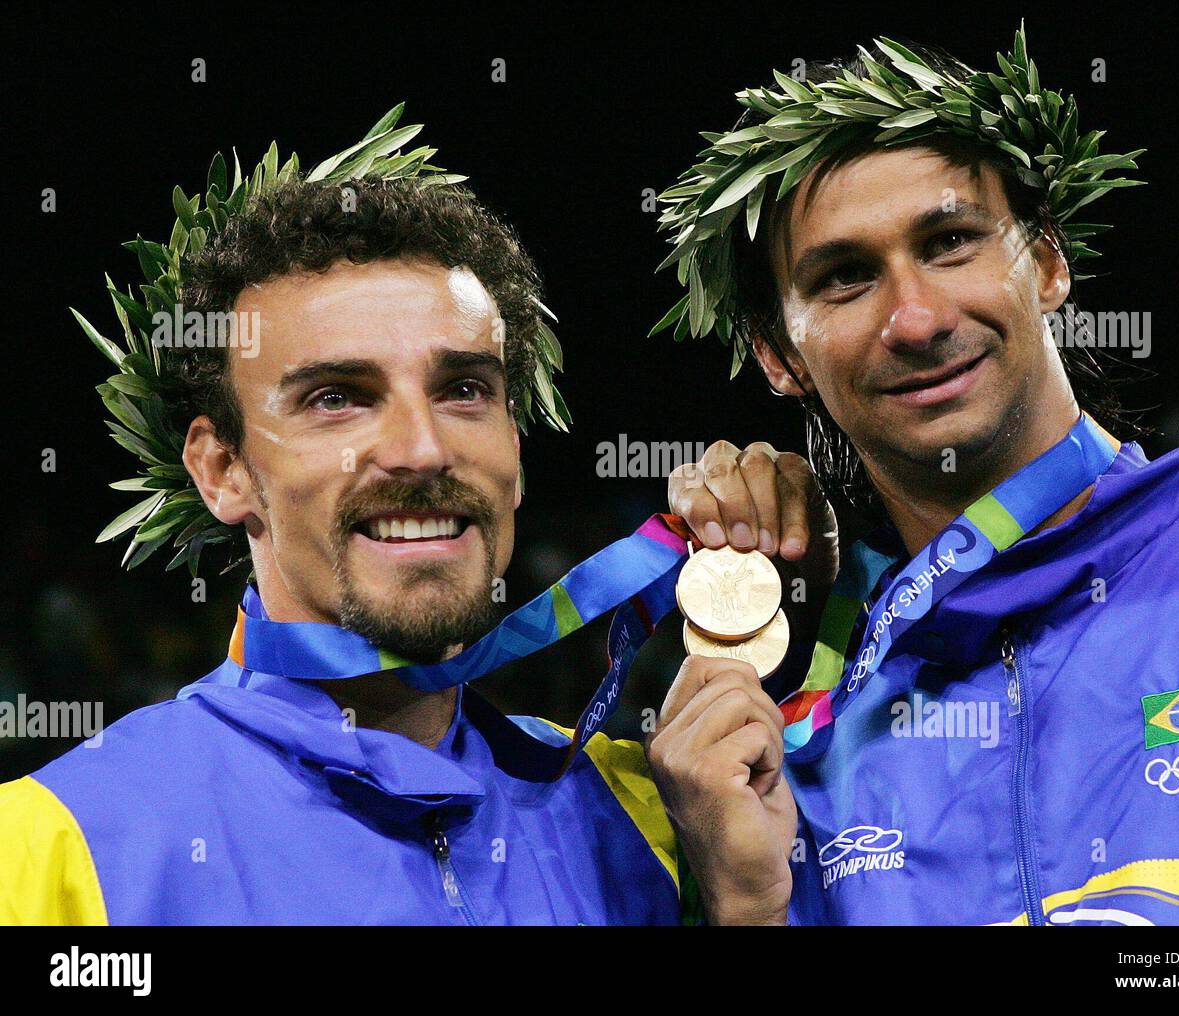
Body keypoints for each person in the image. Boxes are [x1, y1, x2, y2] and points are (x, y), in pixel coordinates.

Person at [646, 25, 1179, 925]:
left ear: (1048, 262)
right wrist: (747, 911)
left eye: (951, 241)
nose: (915, 318)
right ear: (776, 355)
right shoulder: (780, 768)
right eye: (844, 278)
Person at [0, 108, 679, 925]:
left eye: (464, 389)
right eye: (338, 399)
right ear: (223, 471)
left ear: (515, 449)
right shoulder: (58, 849)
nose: (422, 449)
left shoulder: (640, 809)